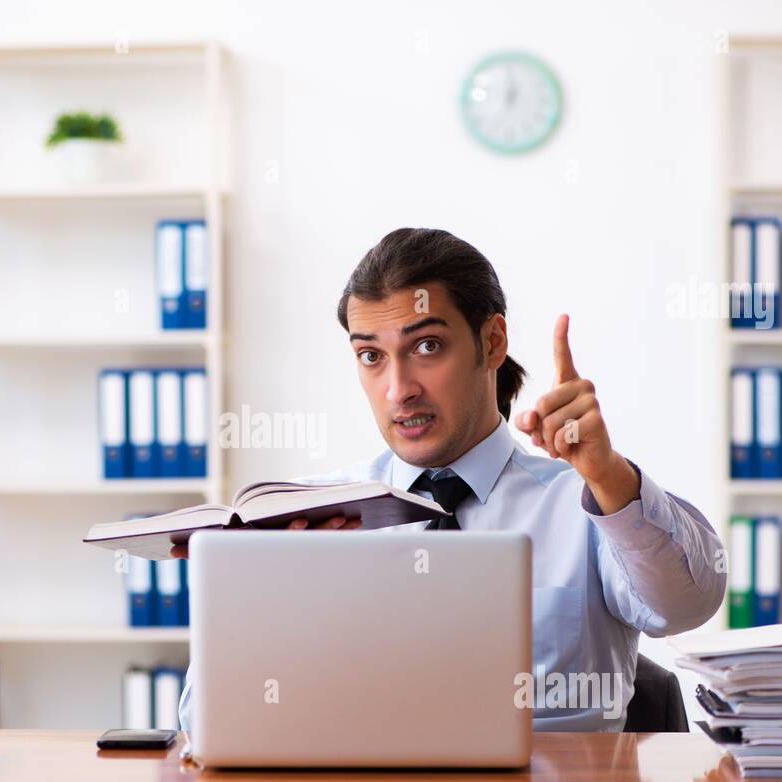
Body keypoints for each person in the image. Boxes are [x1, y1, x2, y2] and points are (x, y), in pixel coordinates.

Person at [175, 227, 725, 731]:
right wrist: (262, 608)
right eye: (371, 356)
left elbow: (689, 602)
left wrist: (609, 475)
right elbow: (204, 723)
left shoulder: (583, 504)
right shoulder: (311, 522)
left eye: (426, 347)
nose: (398, 389)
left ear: (492, 342)